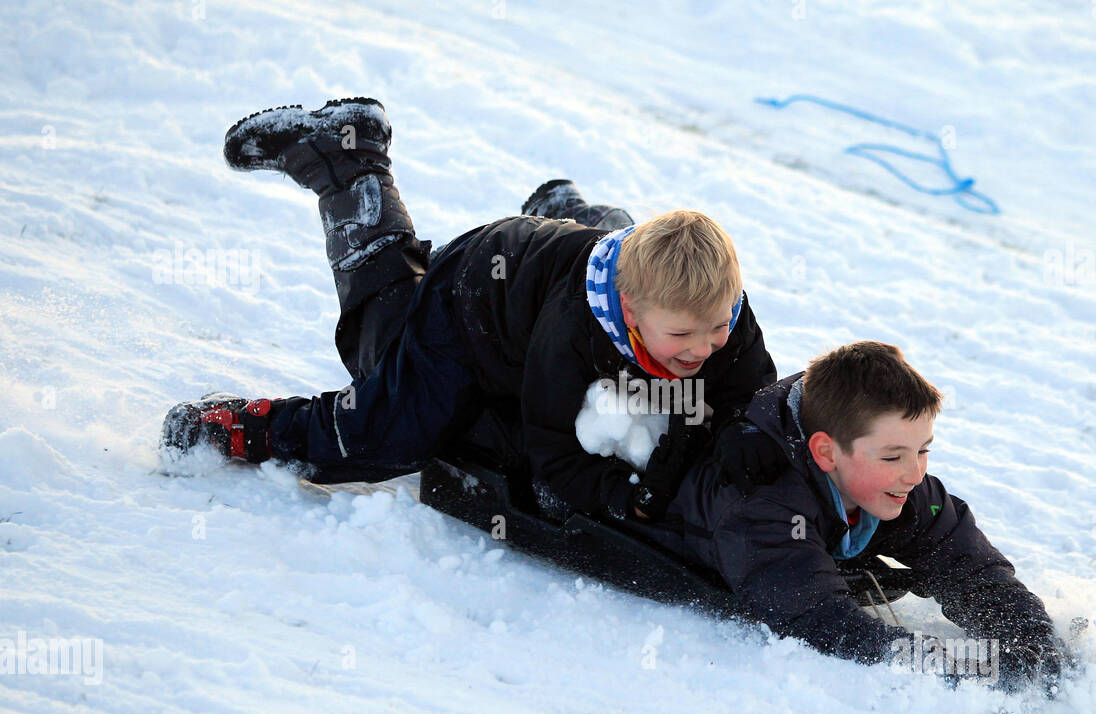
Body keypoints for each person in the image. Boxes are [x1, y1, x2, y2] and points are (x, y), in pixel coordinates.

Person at [162, 98, 783, 521]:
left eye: (720, 326)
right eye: (683, 334)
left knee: (654, 290)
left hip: (551, 265)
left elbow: (750, 399)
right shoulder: (575, 333)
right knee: (395, 417)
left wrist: (742, 440)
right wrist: (627, 498)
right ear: (628, 309)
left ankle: (568, 210)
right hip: (475, 298)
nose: (704, 348)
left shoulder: (707, 310)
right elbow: (553, 455)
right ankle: (345, 161)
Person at [657, 340, 1070, 694]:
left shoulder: (894, 482)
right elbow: (818, 618)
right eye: (893, 456)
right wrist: (959, 663)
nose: (915, 473)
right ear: (825, 452)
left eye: (923, 450)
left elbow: (966, 560)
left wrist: (1030, 634)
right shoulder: (765, 508)